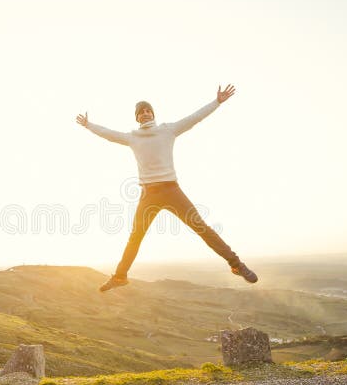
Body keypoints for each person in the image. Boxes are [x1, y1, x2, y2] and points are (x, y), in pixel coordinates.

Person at [76, 84, 258, 292]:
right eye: (141, 112)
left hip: (172, 190)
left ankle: (237, 265)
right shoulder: (132, 137)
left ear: (152, 113)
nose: (145, 114)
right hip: (148, 194)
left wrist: (216, 102)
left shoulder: (168, 130)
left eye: (148, 110)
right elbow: (107, 133)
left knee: (201, 228)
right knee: (135, 236)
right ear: (137, 117)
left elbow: (195, 117)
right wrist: (88, 125)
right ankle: (120, 277)